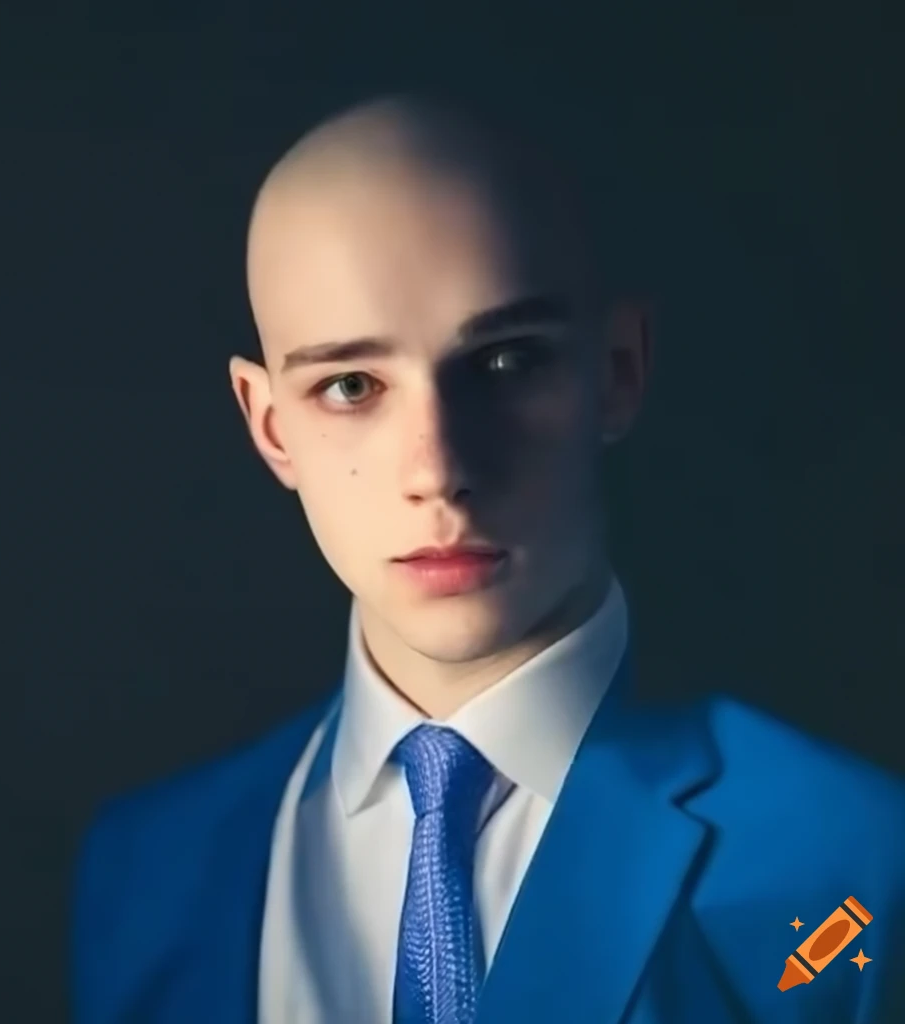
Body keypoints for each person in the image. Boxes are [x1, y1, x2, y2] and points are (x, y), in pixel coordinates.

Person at [70, 95, 905, 1024]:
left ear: (619, 369)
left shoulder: (857, 863)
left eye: (506, 364)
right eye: (350, 386)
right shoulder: (142, 870)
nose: (439, 470)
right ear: (270, 427)